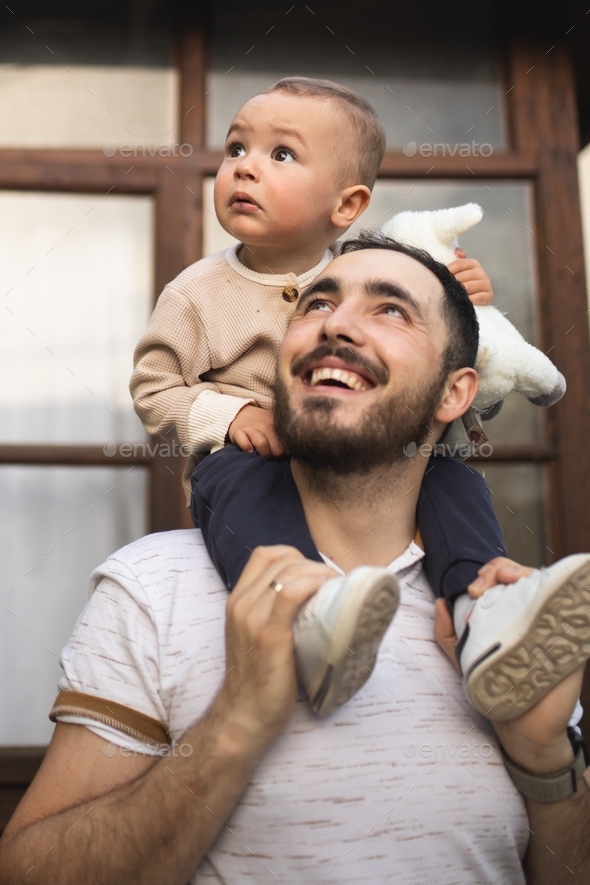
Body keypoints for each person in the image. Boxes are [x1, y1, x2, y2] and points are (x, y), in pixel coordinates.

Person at [2, 237, 589, 885]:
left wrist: (542, 758)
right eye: (316, 304)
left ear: (456, 393)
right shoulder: (151, 585)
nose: (335, 322)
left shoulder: (517, 622)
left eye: (391, 310)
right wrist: (237, 720)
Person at [130, 76, 505, 714]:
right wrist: (232, 414)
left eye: (281, 155)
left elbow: (459, 381)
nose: (244, 169)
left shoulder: (370, 268)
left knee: (456, 483)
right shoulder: (196, 294)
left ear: (346, 204)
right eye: (235, 149)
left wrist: (464, 306)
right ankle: (308, 622)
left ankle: (484, 613)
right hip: (249, 462)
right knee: (243, 494)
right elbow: (152, 390)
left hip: (372, 460)